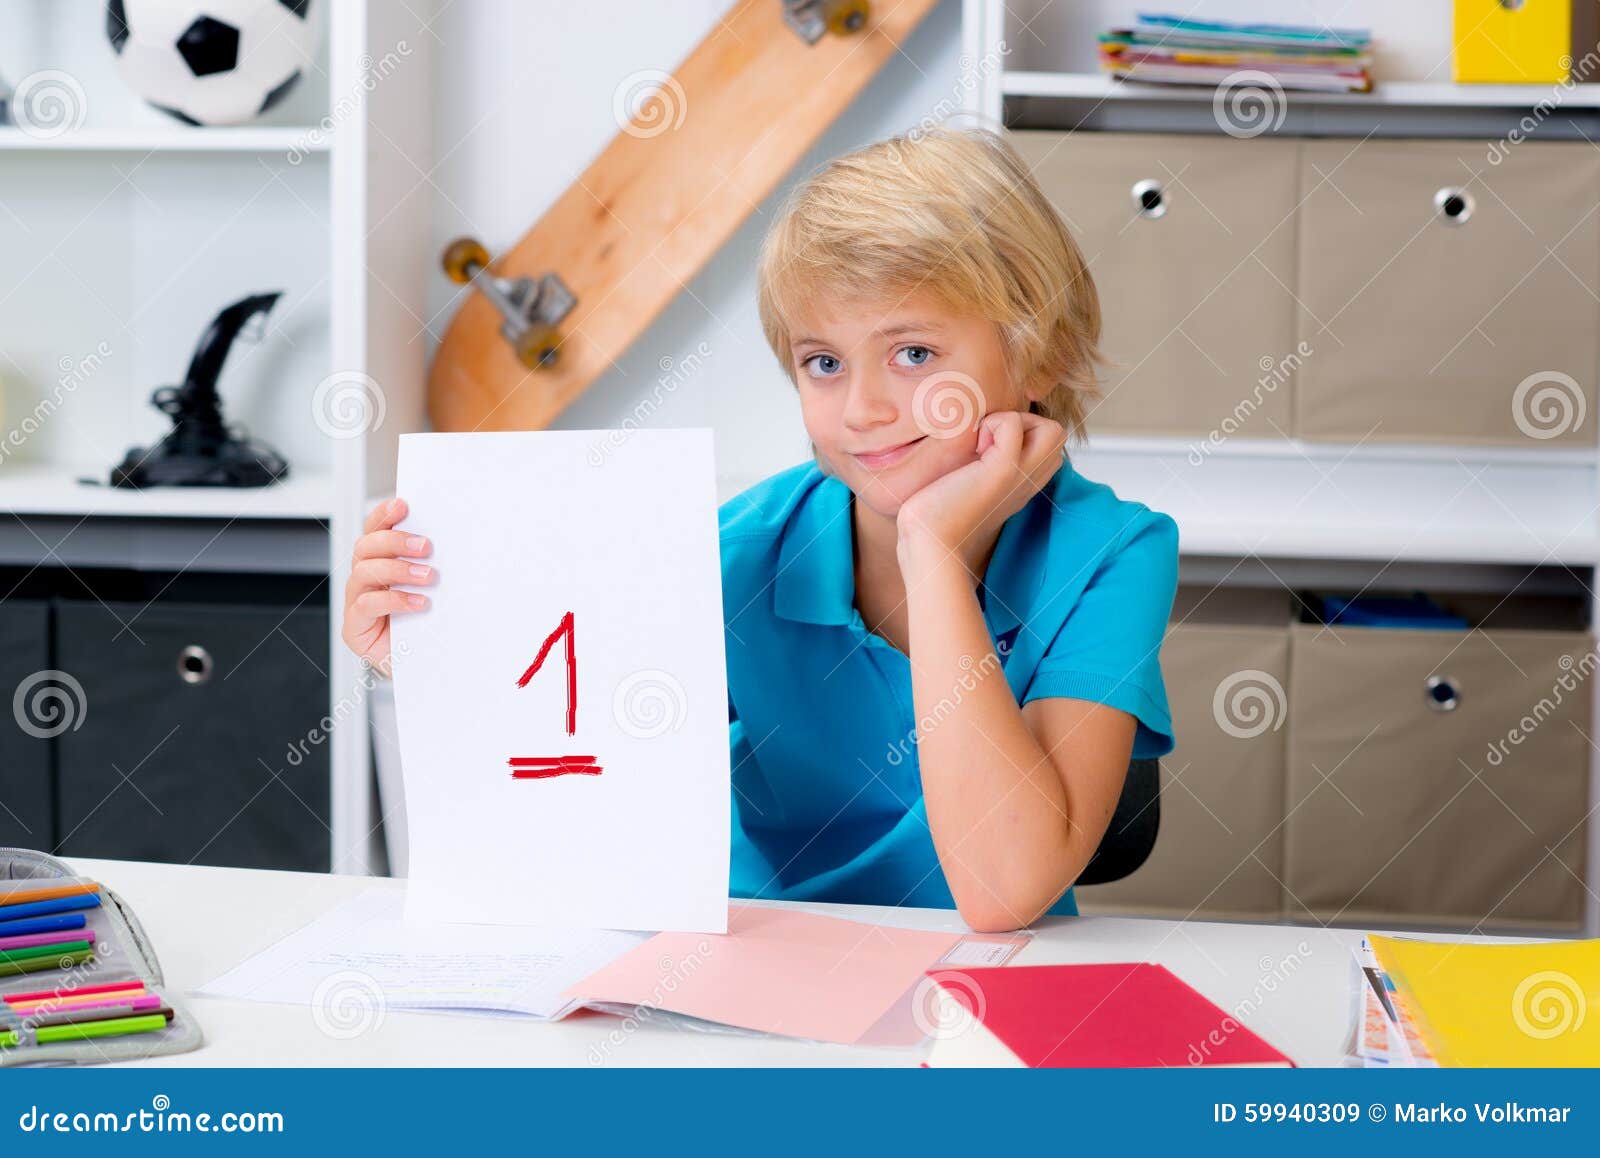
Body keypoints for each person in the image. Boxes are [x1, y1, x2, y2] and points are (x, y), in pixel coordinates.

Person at [343, 126, 1178, 932]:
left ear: (1043, 359)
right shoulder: (728, 556)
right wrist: (430, 666)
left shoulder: (1113, 555)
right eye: (824, 363)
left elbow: (1005, 892)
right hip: (752, 960)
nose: (862, 410)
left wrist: (932, 553)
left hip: (985, 981)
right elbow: (568, 805)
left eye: (914, 353)